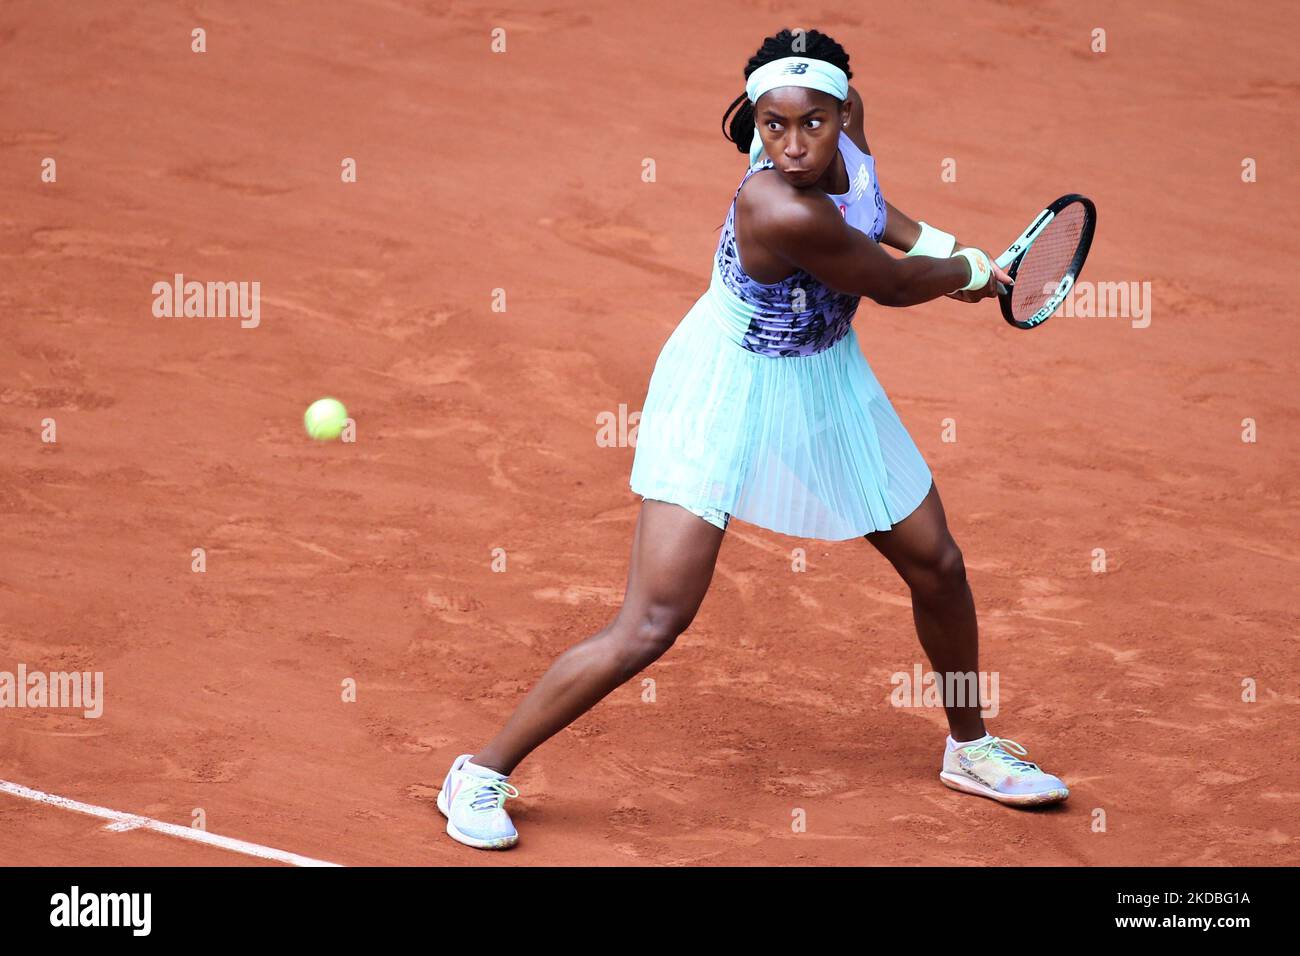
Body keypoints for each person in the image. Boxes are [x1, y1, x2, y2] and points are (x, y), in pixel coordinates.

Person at [436, 28, 1068, 851]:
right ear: (754, 120)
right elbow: (889, 281)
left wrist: (949, 248)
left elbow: (878, 214)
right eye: (774, 126)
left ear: (844, 111)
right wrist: (974, 273)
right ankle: (480, 771)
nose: (794, 144)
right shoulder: (775, 205)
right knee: (656, 618)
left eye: (813, 123)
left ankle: (970, 747)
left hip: (824, 384)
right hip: (726, 392)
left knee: (936, 563)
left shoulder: (847, 135)